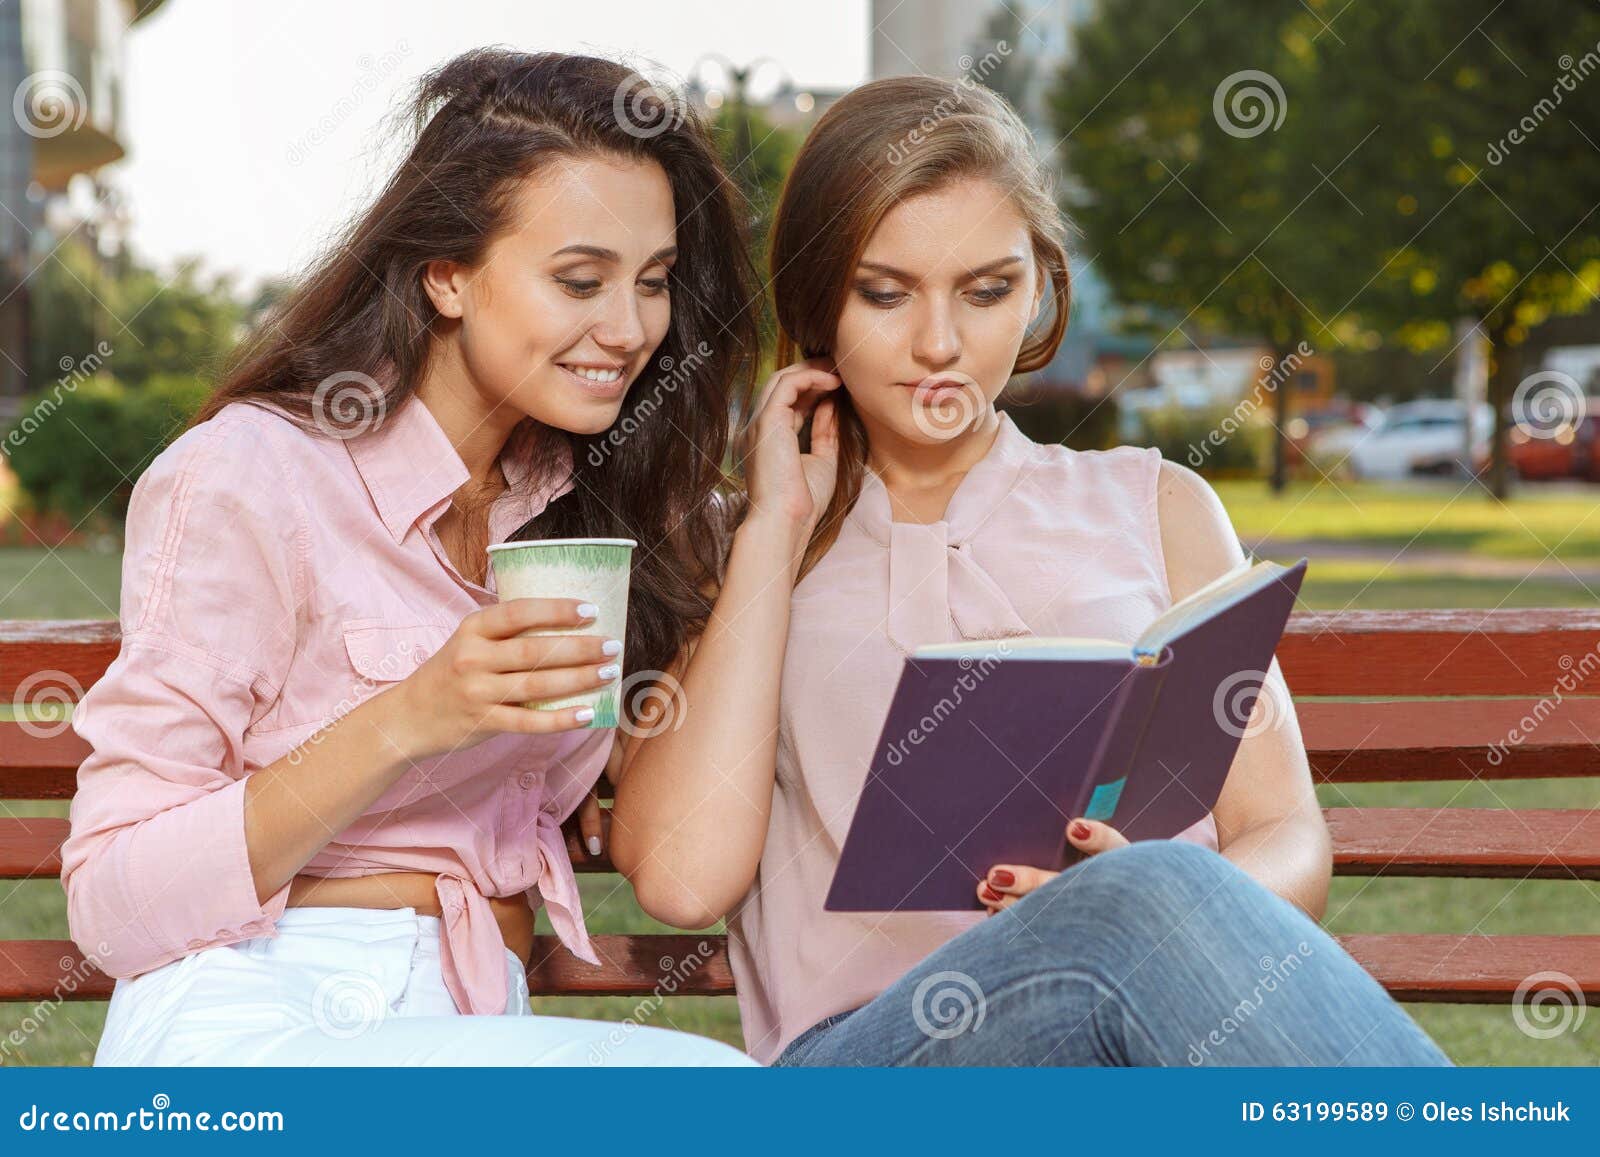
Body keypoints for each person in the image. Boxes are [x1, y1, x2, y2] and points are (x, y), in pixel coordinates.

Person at [608, 76, 1453, 1068]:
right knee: (1137, 902)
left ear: (1041, 283)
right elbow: (678, 878)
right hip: (875, 1066)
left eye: (986, 289)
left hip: (1137, 1050)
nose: (939, 343)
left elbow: (1284, 833)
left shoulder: (1161, 506)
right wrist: (774, 531)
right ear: (814, 297)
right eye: (884, 292)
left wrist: (1130, 915)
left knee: (1141, 895)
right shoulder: (728, 543)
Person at [62, 49, 756, 1067]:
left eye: (652, 283)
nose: (629, 328)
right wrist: (409, 717)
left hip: (471, 1021)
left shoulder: (612, 510)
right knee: (708, 1092)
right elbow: (113, 903)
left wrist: (768, 522)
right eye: (579, 279)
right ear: (446, 276)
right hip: (251, 1008)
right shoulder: (252, 474)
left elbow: (687, 871)